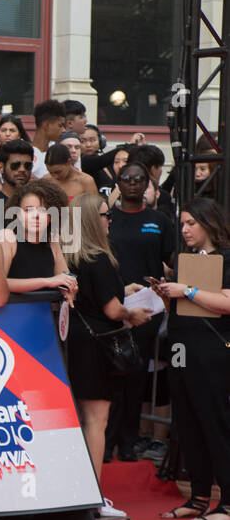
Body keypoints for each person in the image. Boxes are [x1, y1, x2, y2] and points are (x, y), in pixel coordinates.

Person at [62, 194, 149, 519]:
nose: (109, 218)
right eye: (103, 214)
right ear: (90, 221)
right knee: (96, 422)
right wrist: (132, 313)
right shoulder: (99, 258)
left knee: (79, 420)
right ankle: (93, 498)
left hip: (73, 342)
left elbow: (92, 296)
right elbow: (112, 310)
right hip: (98, 346)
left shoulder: (68, 257)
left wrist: (120, 293)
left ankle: (78, 494)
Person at [150, 197, 230, 520]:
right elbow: (184, 308)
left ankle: (226, 501)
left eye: (190, 223)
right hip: (181, 346)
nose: (184, 230)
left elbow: (226, 303)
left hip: (212, 350)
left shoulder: (226, 258)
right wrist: (168, 295)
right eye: (182, 224)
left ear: (209, 223)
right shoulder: (183, 261)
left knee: (214, 421)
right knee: (186, 422)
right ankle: (197, 496)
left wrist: (188, 291)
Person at [104, 161, 176, 462]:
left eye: (139, 178)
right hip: (110, 307)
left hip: (146, 310)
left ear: (149, 183)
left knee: (136, 378)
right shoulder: (108, 220)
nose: (133, 183)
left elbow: (169, 260)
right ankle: (105, 441)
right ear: (118, 182)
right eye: (127, 178)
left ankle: (130, 440)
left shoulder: (159, 220)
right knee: (110, 378)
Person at [1, 178, 77, 296]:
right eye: (28, 210)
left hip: (45, 312)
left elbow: (65, 278)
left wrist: (70, 286)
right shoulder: (8, 238)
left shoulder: (52, 241)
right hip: (12, 312)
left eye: (43, 210)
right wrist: (47, 282)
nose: (35, 216)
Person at [29, 98, 66, 178]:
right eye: (60, 125)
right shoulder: (24, 151)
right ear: (46, 125)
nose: (64, 130)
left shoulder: (58, 153)